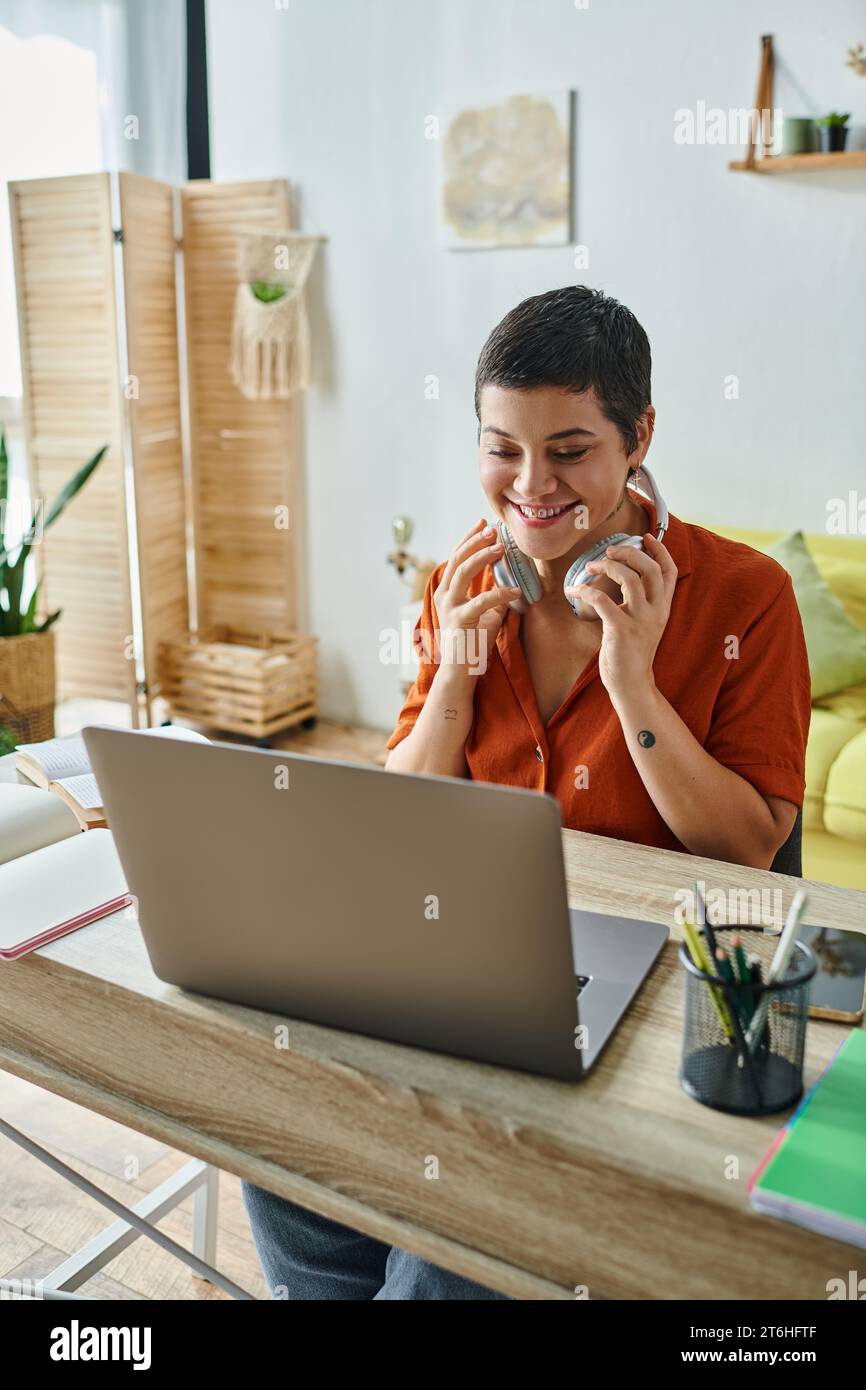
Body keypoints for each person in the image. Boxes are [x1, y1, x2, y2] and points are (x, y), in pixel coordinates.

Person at [243, 285, 811, 1299]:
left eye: (567, 449)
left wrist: (631, 683)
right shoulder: (455, 582)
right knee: (284, 1139)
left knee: (439, 1260)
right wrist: (453, 683)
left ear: (638, 436)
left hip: (650, 996)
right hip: (469, 955)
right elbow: (397, 813)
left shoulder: (745, 597)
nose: (528, 485)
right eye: (501, 447)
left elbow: (745, 855)